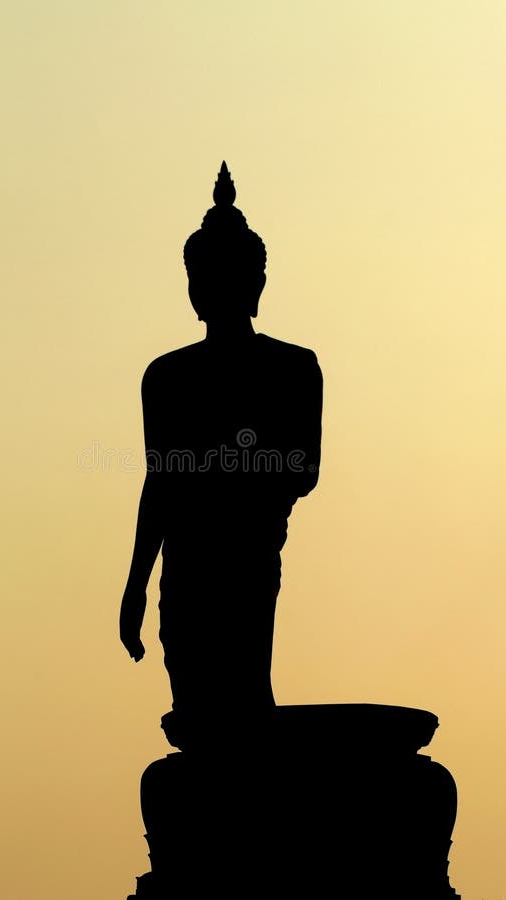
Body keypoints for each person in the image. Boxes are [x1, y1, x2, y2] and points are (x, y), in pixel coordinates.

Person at [120, 162, 323, 734]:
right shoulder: (167, 376)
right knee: (191, 701)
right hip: (184, 563)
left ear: (255, 284)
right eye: (196, 277)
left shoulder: (293, 369)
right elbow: (160, 484)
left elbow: (301, 469)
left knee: (241, 694)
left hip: (247, 554)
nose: (203, 289)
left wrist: (213, 469)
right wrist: (135, 584)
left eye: (219, 275)